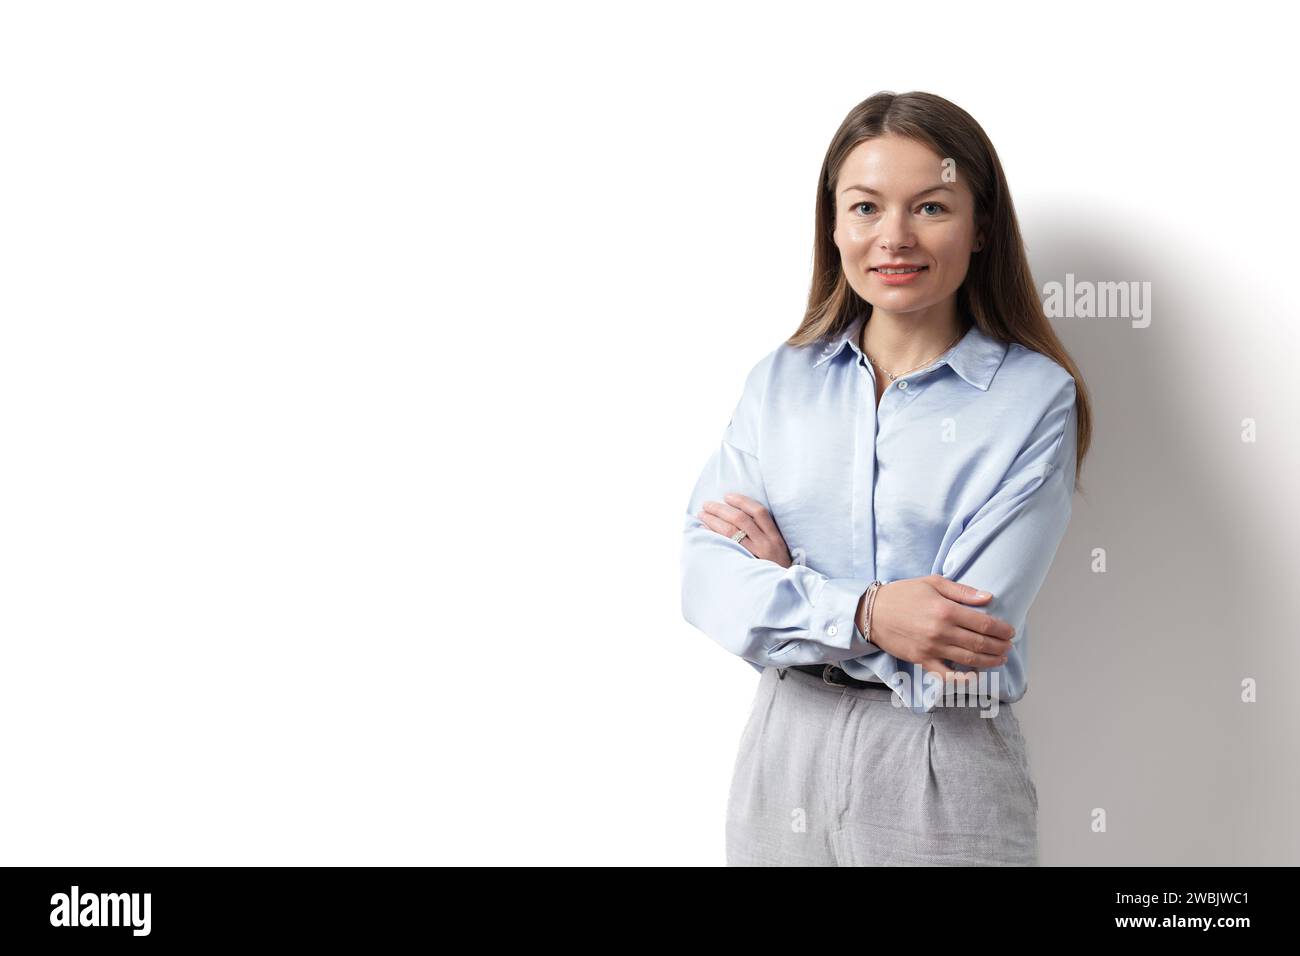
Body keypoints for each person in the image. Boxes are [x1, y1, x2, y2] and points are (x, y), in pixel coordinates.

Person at [679, 91, 1093, 866]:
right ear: (833, 226)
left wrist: (790, 594)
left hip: (942, 760)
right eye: (865, 207)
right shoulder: (780, 382)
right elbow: (707, 582)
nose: (893, 237)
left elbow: (959, 642)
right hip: (782, 752)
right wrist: (869, 612)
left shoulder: (1033, 398)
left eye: (931, 207)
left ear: (981, 229)